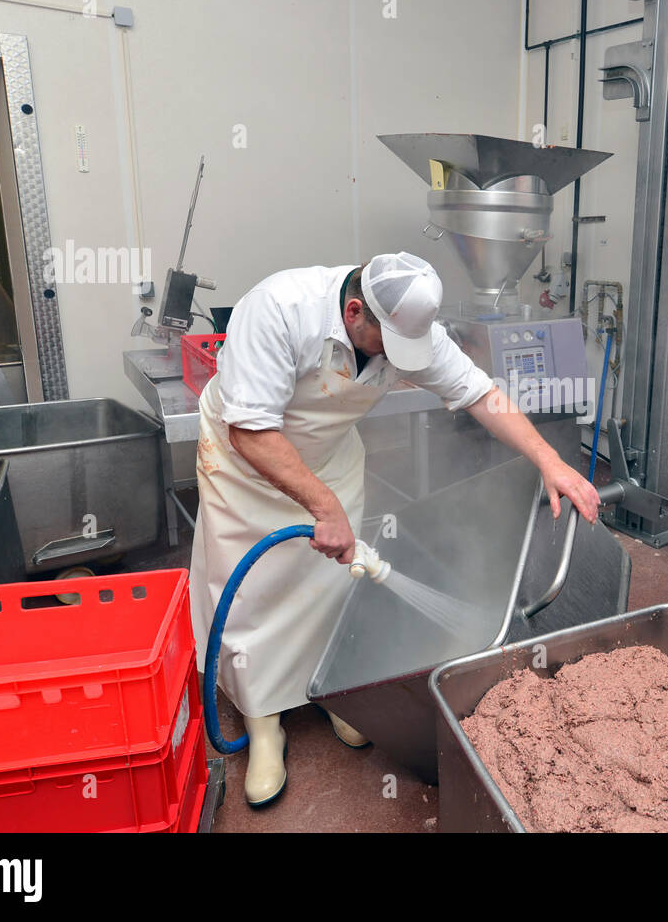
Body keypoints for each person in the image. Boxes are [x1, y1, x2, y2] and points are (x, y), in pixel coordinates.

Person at [189, 252, 599, 806]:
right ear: (354, 312)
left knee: (330, 582)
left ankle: (333, 692)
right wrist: (323, 506)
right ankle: (264, 721)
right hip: (247, 467)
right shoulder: (279, 310)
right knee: (254, 589)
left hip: (328, 459)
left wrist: (549, 460)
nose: (398, 359)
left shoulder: (403, 327)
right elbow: (251, 431)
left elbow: (479, 392)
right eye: (387, 343)